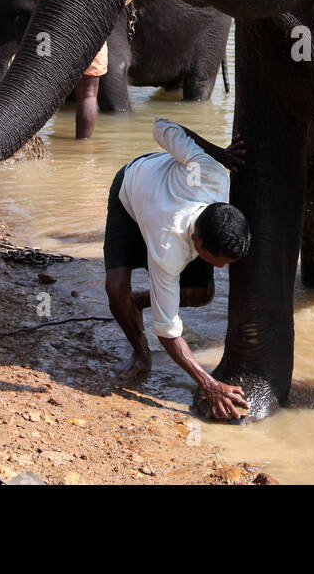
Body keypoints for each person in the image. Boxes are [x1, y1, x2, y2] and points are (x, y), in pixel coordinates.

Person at [104, 117, 251, 419]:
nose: (222, 269)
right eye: (218, 261)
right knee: (116, 287)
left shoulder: (213, 175)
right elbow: (168, 330)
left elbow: (164, 127)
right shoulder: (167, 250)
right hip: (130, 189)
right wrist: (208, 384)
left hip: (163, 197)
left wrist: (215, 153)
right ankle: (141, 354)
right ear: (198, 243)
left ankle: (140, 303)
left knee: (201, 295)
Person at [33, 0, 104, 139]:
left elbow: (38, 3)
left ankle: (37, 138)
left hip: (55, 35)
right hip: (90, 31)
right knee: (88, 96)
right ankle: (83, 148)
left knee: (48, 92)